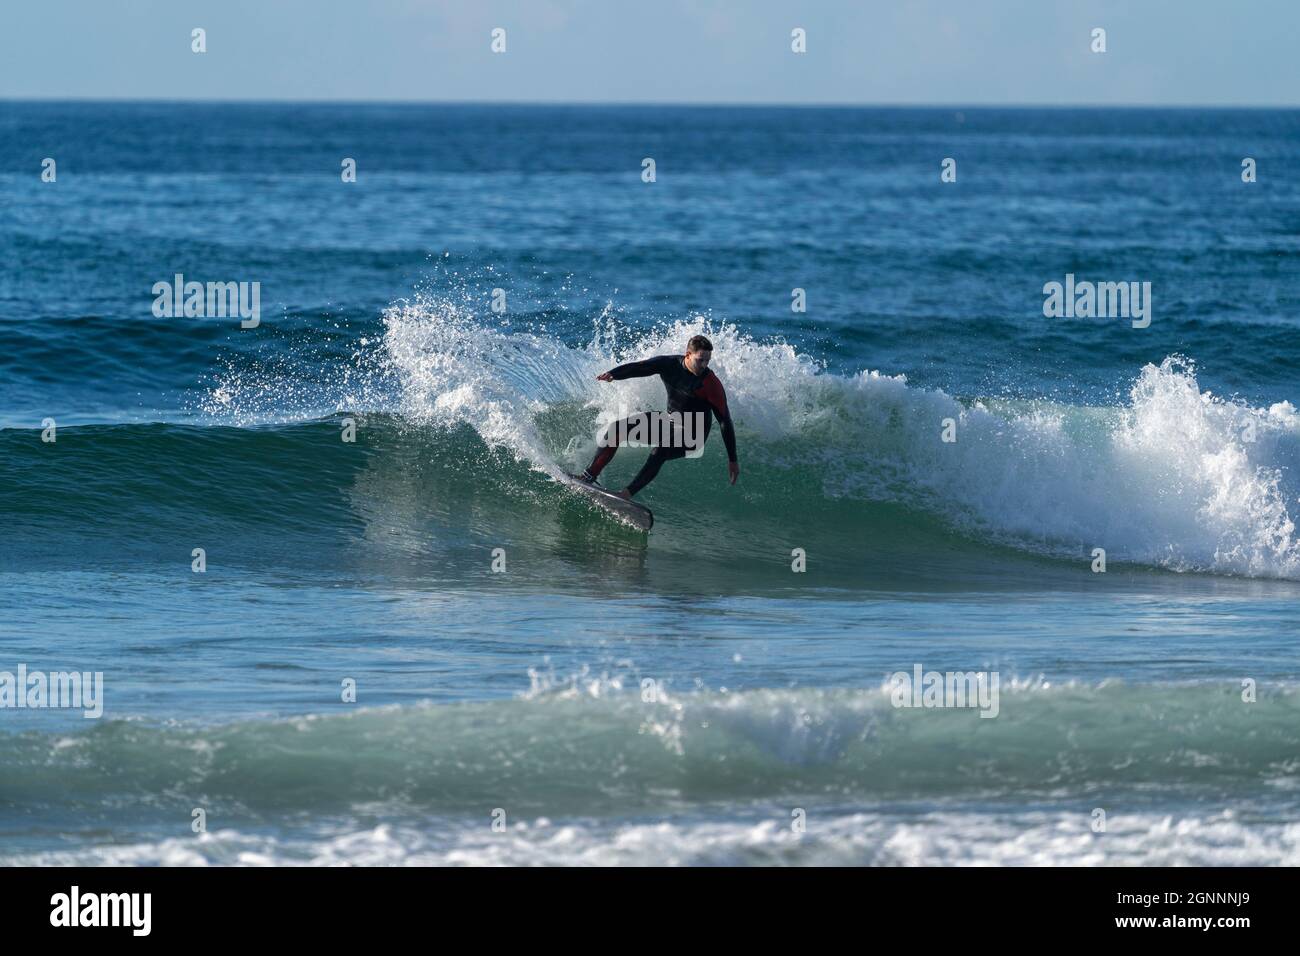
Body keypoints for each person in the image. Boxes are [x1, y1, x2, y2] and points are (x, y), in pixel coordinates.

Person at [581, 334, 739, 499]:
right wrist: (613, 374)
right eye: (700, 360)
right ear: (688, 355)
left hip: (693, 435)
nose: (704, 365)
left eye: (707, 361)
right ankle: (587, 477)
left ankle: (625, 495)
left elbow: (724, 421)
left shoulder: (710, 384)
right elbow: (640, 367)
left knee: (660, 451)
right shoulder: (669, 364)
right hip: (670, 422)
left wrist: (732, 460)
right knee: (617, 429)